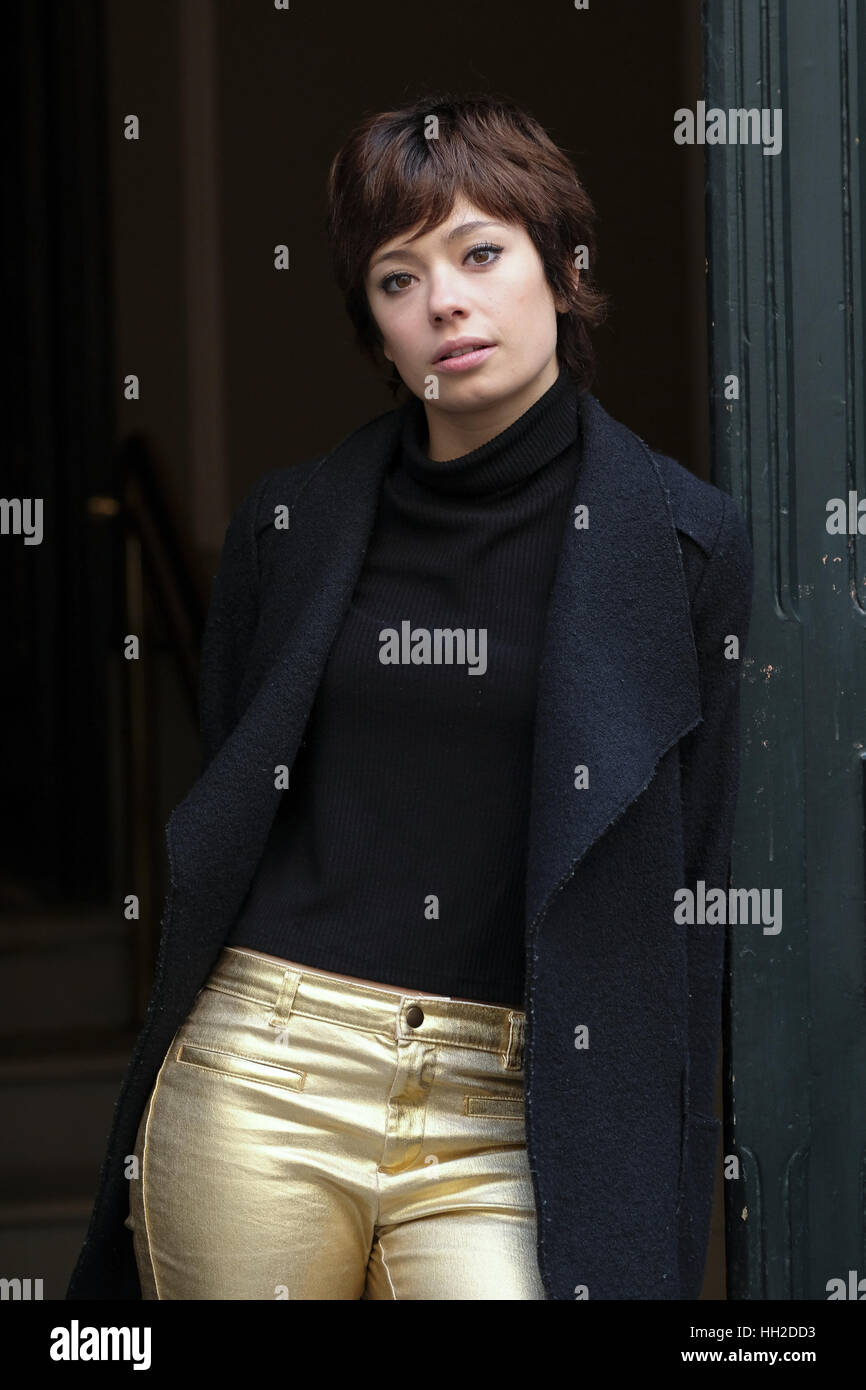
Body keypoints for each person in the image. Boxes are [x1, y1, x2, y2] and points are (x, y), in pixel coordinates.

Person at [67, 90, 754, 1301]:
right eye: (397, 277)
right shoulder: (291, 526)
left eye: (480, 253)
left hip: (511, 1107)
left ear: (560, 266)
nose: (444, 301)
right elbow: (234, 797)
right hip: (265, 1066)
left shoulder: (683, 548)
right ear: (374, 325)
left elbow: (685, 909)